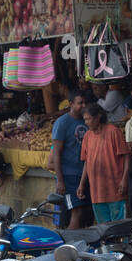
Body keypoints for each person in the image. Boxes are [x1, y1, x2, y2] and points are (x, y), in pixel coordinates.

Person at [78, 102, 131, 223]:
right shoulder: (87, 136)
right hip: (97, 192)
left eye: (88, 119)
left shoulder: (113, 132)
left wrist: (124, 179)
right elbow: (87, 161)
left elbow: (126, 156)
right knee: (103, 229)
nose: (86, 122)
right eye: (84, 120)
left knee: (119, 228)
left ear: (98, 117)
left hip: (116, 189)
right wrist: (81, 184)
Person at [49, 93, 90, 228]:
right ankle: (71, 244)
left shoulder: (87, 121)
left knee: (83, 213)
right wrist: (60, 180)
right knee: (76, 211)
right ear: (71, 104)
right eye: (80, 103)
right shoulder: (62, 123)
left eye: (85, 103)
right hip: (69, 175)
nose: (83, 106)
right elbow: (56, 153)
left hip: (84, 175)